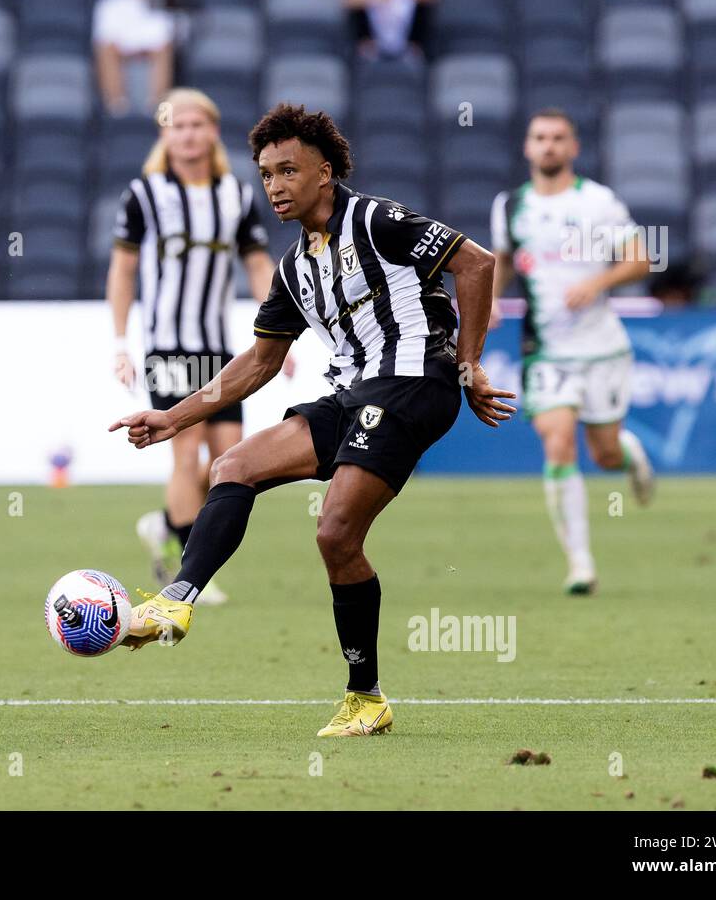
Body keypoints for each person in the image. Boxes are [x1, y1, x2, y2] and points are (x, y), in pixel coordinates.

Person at [109, 104, 515, 737]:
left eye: (288, 170)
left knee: (332, 530)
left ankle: (363, 695)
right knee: (234, 465)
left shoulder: (379, 221)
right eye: (266, 173)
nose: (274, 185)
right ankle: (175, 604)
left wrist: (468, 367)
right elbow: (261, 361)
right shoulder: (295, 268)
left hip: (414, 385)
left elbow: (478, 264)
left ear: (325, 173)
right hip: (352, 393)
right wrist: (175, 416)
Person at [108, 88, 291, 607]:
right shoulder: (144, 194)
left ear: (212, 131)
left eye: (196, 125)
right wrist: (120, 343)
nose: (187, 134)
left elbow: (258, 264)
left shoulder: (235, 193)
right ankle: (188, 574)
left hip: (217, 351)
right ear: (165, 135)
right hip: (167, 347)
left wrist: (283, 326)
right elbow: (122, 270)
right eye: (176, 126)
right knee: (184, 451)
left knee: (228, 456)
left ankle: (164, 525)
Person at [490, 108, 656, 596]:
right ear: (527, 146)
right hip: (546, 351)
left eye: (558, 138)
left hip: (601, 347)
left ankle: (628, 453)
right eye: (539, 137)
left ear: (573, 147)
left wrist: (597, 282)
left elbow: (641, 259)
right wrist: (492, 300)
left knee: (603, 454)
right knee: (558, 441)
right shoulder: (510, 205)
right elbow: (502, 260)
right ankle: (581, 563)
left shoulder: (598, 203)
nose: (548, 146)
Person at [92, 0, 174, 116]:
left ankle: (156, 107)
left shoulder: (161, 2)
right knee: (106, 51)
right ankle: (117, 107)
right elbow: (106, 39)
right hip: (119, 54)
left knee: (163, 51)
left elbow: (162, 38)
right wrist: (133, 50)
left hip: (150, 54)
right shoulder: (109, 3)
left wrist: (138, 49)